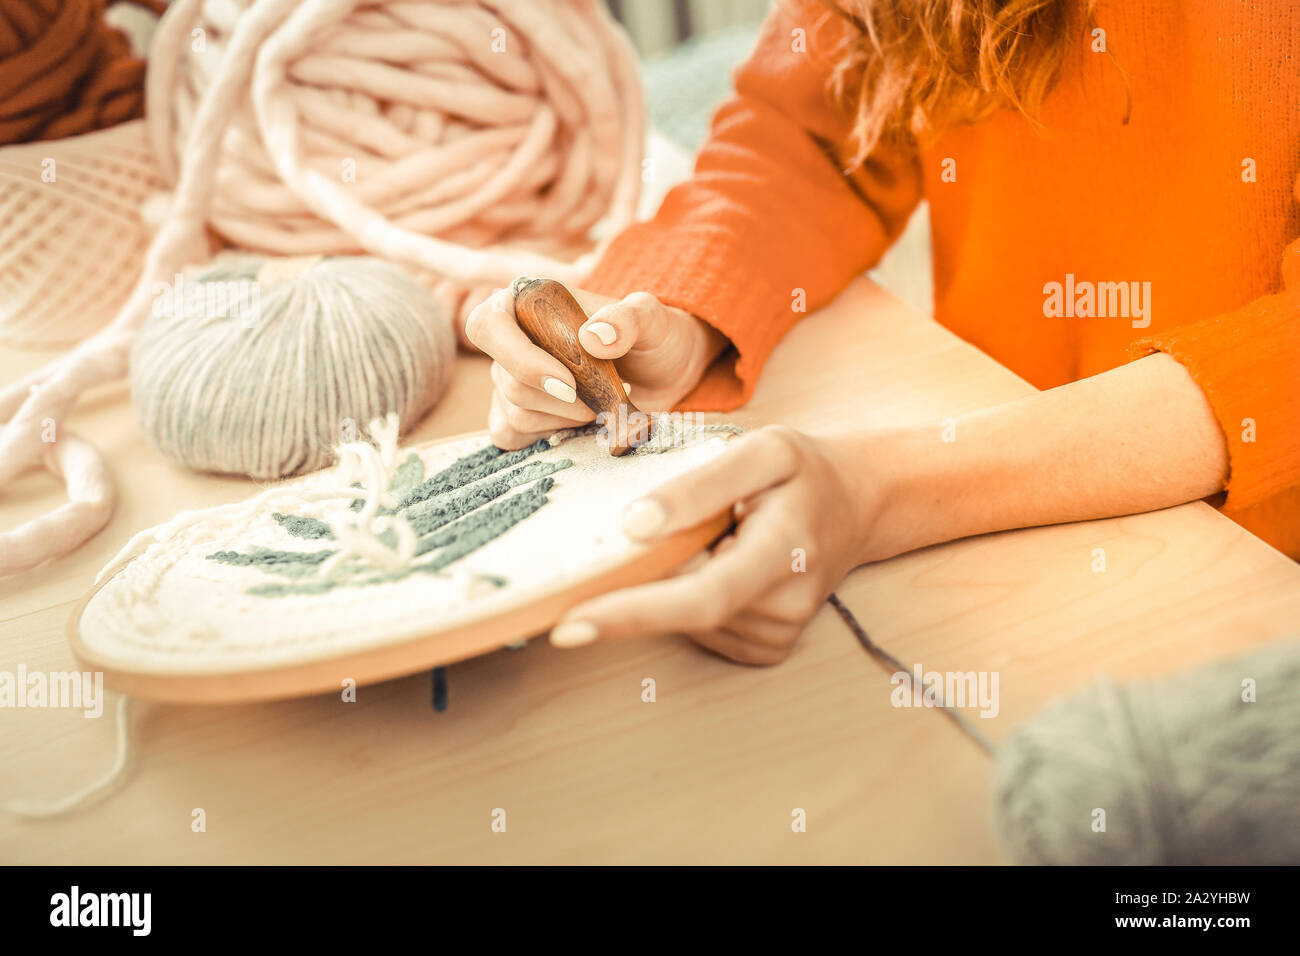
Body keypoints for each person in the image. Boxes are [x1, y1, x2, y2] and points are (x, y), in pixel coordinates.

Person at [463, 0, 1299, 664]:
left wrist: (887, 490)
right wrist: (683, 310)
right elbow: (813, 131)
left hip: (1258, 571)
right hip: (995, 501)